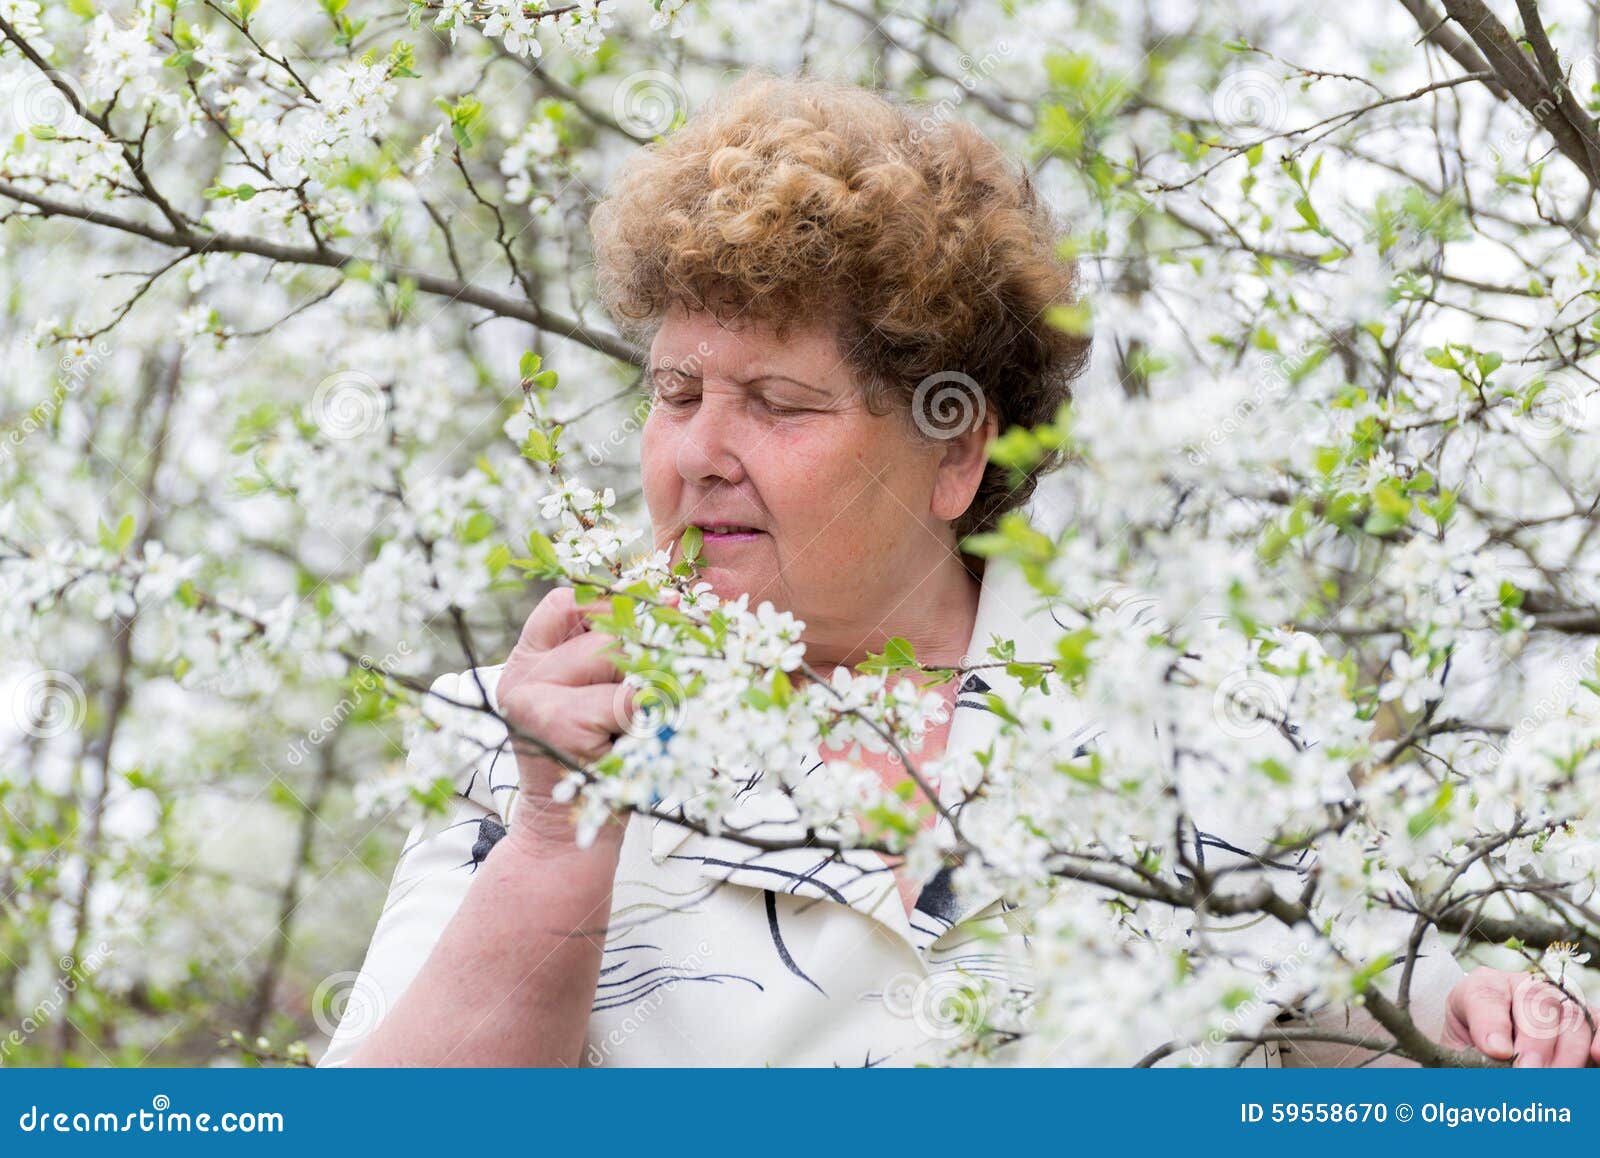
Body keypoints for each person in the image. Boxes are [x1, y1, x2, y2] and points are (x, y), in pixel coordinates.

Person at [318, 71, 1598, 1068]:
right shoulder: (523, 742)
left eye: (775, 403)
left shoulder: (1200, 714)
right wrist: (553, 840)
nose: (699, 453)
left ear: (953, 446)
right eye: (676, 392)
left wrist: (1491, 1022)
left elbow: (1379, 1023)